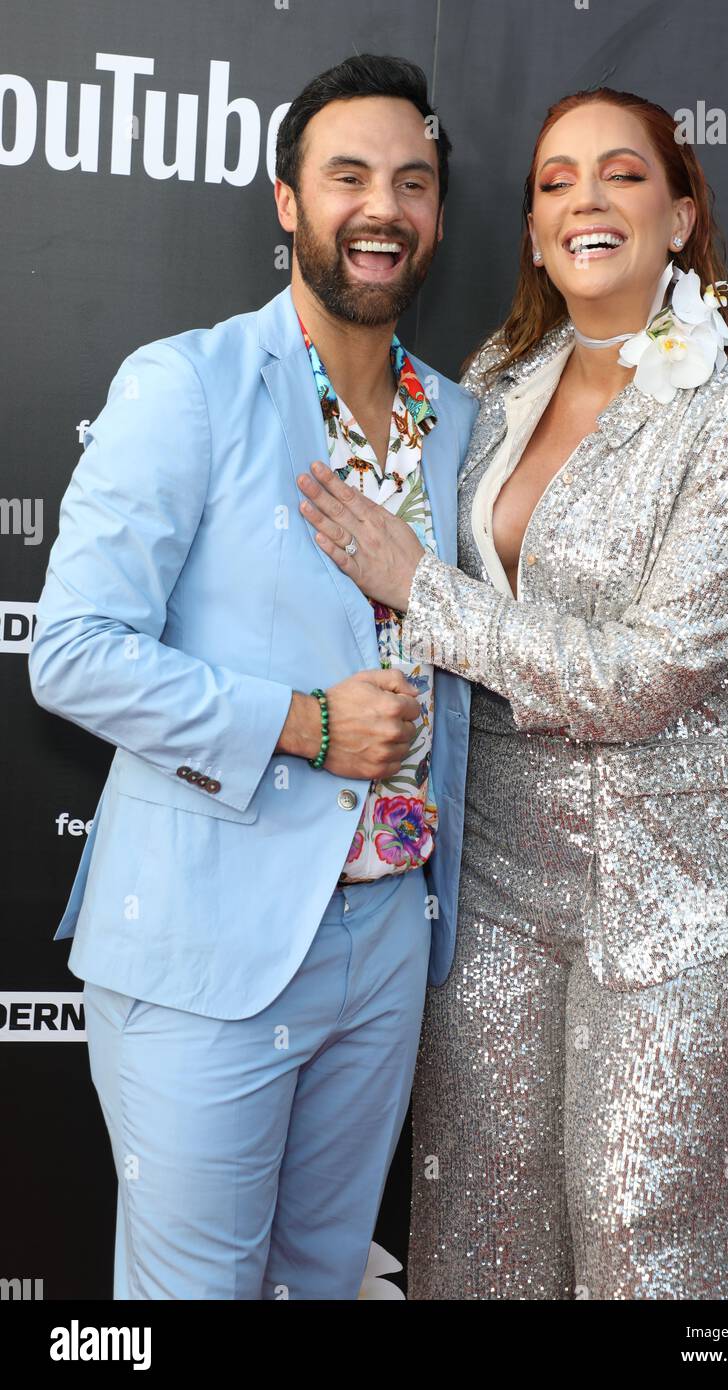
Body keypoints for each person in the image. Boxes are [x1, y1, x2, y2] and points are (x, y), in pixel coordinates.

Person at [294, 86, 728, 1300]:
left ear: (680, 213)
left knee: (645, 1233)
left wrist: (419, 586)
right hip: (494, 879)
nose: (585, 197)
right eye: (553, 181)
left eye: (622, 174)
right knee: (479, 1226)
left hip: (686, 883)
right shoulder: (490, 384)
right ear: (531, 233)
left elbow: (649, 676)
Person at [28, 53, 478, 1300]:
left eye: (412, 181)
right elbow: (69, 652)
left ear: (436, 214)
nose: (380, 207)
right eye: (347, 177)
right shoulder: (187, 385)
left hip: (388, 937)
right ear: (288, 202)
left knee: (325, 1280)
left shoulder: (458, 420)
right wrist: (303, 723)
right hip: (206, 940)